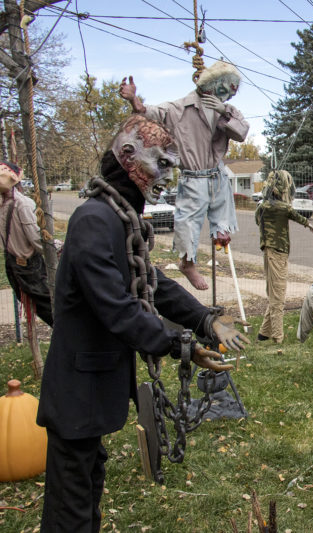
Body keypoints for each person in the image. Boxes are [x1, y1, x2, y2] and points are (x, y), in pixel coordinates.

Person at [36, 115, 250, 533]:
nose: (168, 176)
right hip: (77, 394)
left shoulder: (116, 220)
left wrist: (206, 320)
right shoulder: (94, 221)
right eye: (163, 164)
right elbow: (117, 308)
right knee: (70, 512)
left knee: (86, 491)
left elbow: (153, 283)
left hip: (93, 393)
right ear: (129, 157)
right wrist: (179, 345)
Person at [119, 61, 250, 290]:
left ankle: (220, 233)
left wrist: (224, 112)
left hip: (217, 175)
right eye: (226, 89)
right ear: (212, 84)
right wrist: (133, 99)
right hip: (193, 177)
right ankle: (187, 263)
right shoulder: (179, 109)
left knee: (223, 216)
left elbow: (242, 132)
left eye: (232, 92)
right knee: (187, 223)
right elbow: (147, 112)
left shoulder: (226, 110)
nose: (228, 95)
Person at [254, 169, 313, 344]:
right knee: (278, 296)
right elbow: (294, 215)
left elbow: (258, 220)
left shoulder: (262, 208)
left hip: (269, 253)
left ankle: (263, 334)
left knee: (274, 293)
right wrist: (307, 224)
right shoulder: (281, 208)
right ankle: (278, 337)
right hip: (277, 254)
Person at [0, 161, 52, 326]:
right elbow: (36, 240)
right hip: (29, 267)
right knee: (54, 308)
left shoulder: (3, 205)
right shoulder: (22, 204)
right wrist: (59, 246)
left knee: (45, 308)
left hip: (13, 265)